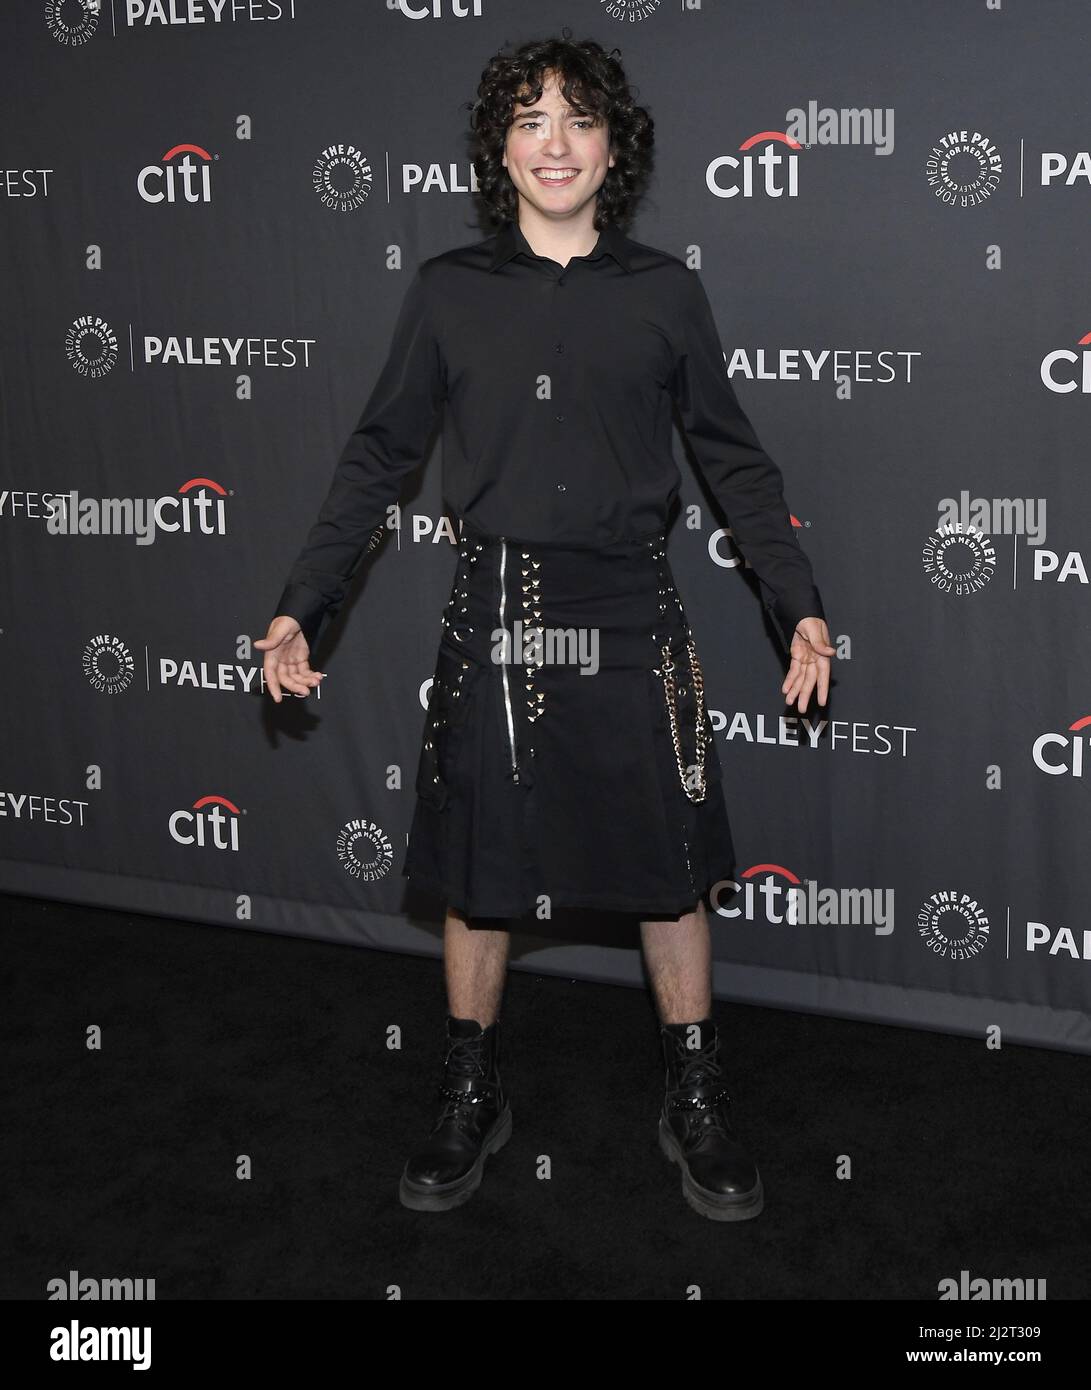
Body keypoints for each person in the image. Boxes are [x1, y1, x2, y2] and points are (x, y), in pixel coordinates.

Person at [256, 32, 833, 1223]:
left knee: (669, 866)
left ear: (613, 146)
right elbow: (377, 462)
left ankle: (692, 1085)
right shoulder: (446, 292)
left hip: (630, 601)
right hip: (498, 609)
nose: (553, 142)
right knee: (480, 868)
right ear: (499, 149)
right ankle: (470, 1080)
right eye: (528, 120)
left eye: (576, 119)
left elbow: (731, 459)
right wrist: (298, 601)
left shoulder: (666, 291)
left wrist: (798, 600)